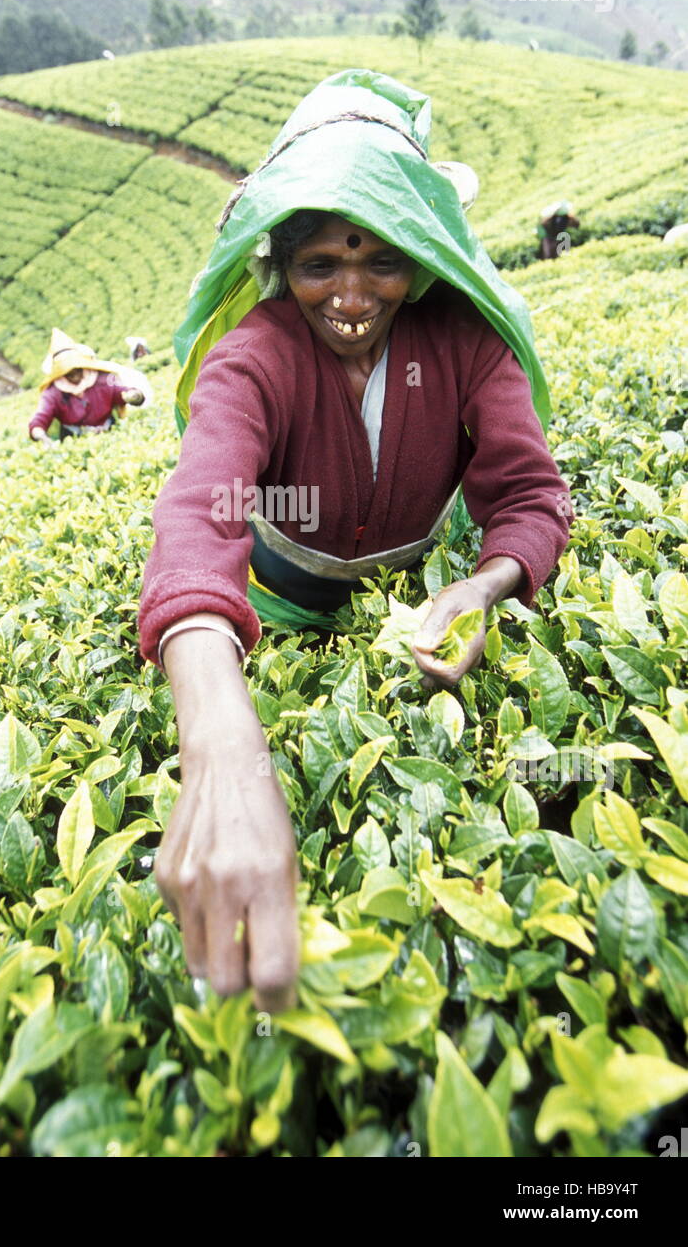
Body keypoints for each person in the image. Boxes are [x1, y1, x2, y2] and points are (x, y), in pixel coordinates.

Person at [137, 69, 573, 1013]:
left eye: (379, 259)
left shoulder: (465, 342)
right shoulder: (255, 357)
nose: (350, 294)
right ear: (279, 265)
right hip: (276, 593)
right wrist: (218, 741)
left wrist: (481, 587)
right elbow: (202, 510)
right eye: (319, 264)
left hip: (404, 584)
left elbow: (531, 497)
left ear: (420, 256)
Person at [28, 328, 149, 447]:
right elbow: (41, 416)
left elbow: (122, 392)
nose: (74, 374)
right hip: (73, 440)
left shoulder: (102, 378)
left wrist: (134, 396)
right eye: (68, 371)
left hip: (110, 432)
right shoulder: (53, 392)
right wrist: (40, 435)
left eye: (76, 368)